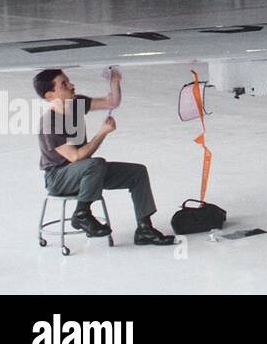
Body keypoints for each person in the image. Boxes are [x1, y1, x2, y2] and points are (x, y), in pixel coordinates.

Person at [34, 68, 174, 246]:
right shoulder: (49, 123)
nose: (71, 85)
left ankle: (145, 228)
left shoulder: (75, 104)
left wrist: (114, 81)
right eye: (64, 84)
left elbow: (112, 102)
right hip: (59, 177)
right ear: (50, 95)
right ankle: (82, 214)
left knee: (137, 173)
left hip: (86, 171)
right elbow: (76, 156)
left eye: (68, 81)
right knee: (95, 164)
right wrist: (103, 133)